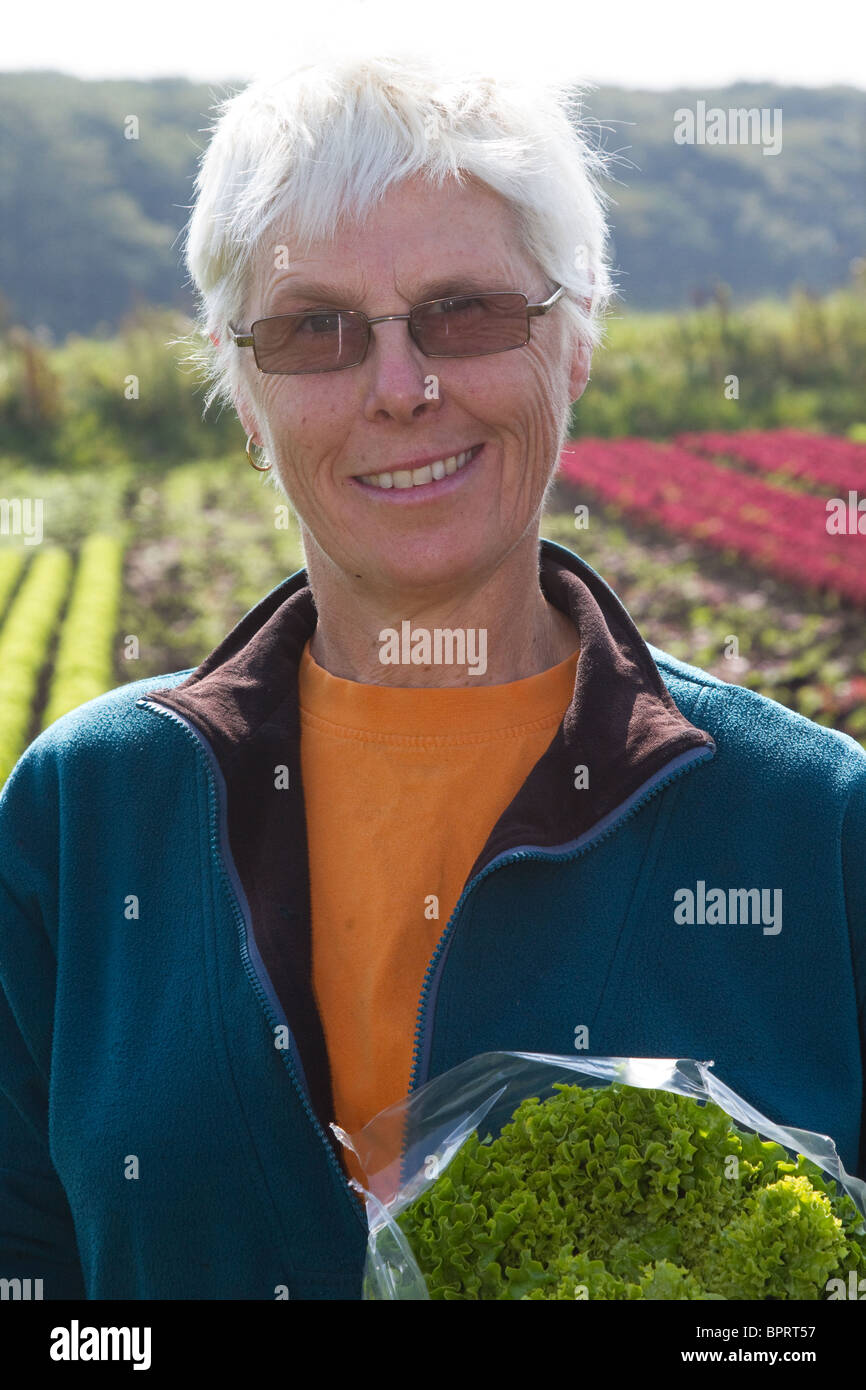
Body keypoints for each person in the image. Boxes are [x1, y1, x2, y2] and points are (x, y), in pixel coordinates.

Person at [1, 45, 864, 1303]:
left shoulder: (814, 822)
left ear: (575, 339)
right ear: (242, 391)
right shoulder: (86, 813)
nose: (401, 389)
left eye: (466, 312)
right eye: (315, 329)